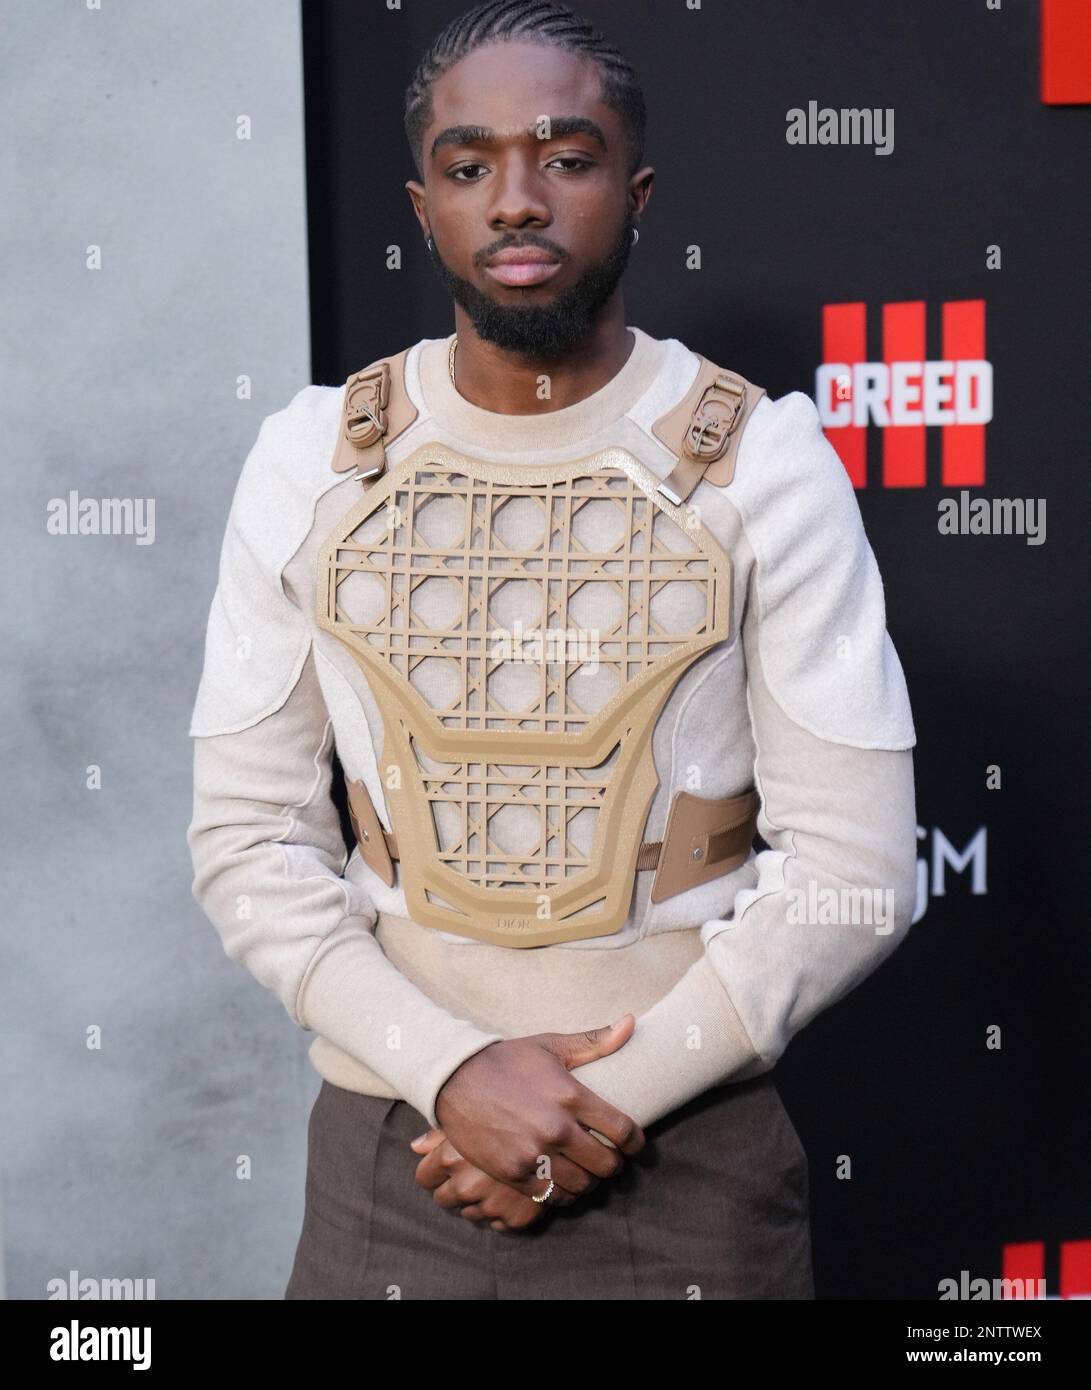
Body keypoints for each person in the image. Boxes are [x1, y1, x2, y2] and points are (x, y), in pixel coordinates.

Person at [186, 0, 917, 1301]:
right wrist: (452, 1069)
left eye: (564, 158)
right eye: (471, 167)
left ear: (635, 192)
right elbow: (246, 841)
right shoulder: (310, 457)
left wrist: (599, 1104)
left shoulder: (766, 461)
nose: (516, 200)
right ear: (424, 203)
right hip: (395, 1152)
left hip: (685, 1165)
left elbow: (860, 872)